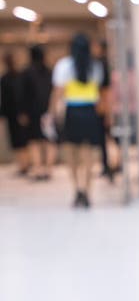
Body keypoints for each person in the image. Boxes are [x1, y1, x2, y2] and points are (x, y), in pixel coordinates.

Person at [52, 33, 104, 208]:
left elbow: (58, 93)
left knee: (71, 154)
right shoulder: (95, 67)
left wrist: (52, 113)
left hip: (72, 112)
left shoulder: (64, 66)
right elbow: (99, 93)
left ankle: (77, 190)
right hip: (90, 112)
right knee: (88, 154)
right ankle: (87, 190)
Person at [21, 45, 55, 180]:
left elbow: (22, 94)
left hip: (32, 110)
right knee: (49, 139)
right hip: (48, 110)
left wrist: (22, 112)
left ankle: (38, 168)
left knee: (34, 140)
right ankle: (48, 169)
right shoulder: (50, 71)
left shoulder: (26, 72)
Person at [0, 52, 29, 175]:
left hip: (13, 113)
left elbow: (8, 98)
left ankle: (24, 165)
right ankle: (24, 165)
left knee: (18, 140)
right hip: (17, 112)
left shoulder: (7, 78)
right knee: (20, 140)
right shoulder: (18, 76)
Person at [93, 38, 115, 181]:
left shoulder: (101, 65)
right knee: (106, 140)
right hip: (106, 107)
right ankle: (108, 165)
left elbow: (106, 91)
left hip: (104, 107)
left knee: (108, 139)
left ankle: (111, 165)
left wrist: (107, 111)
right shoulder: (102, 64)